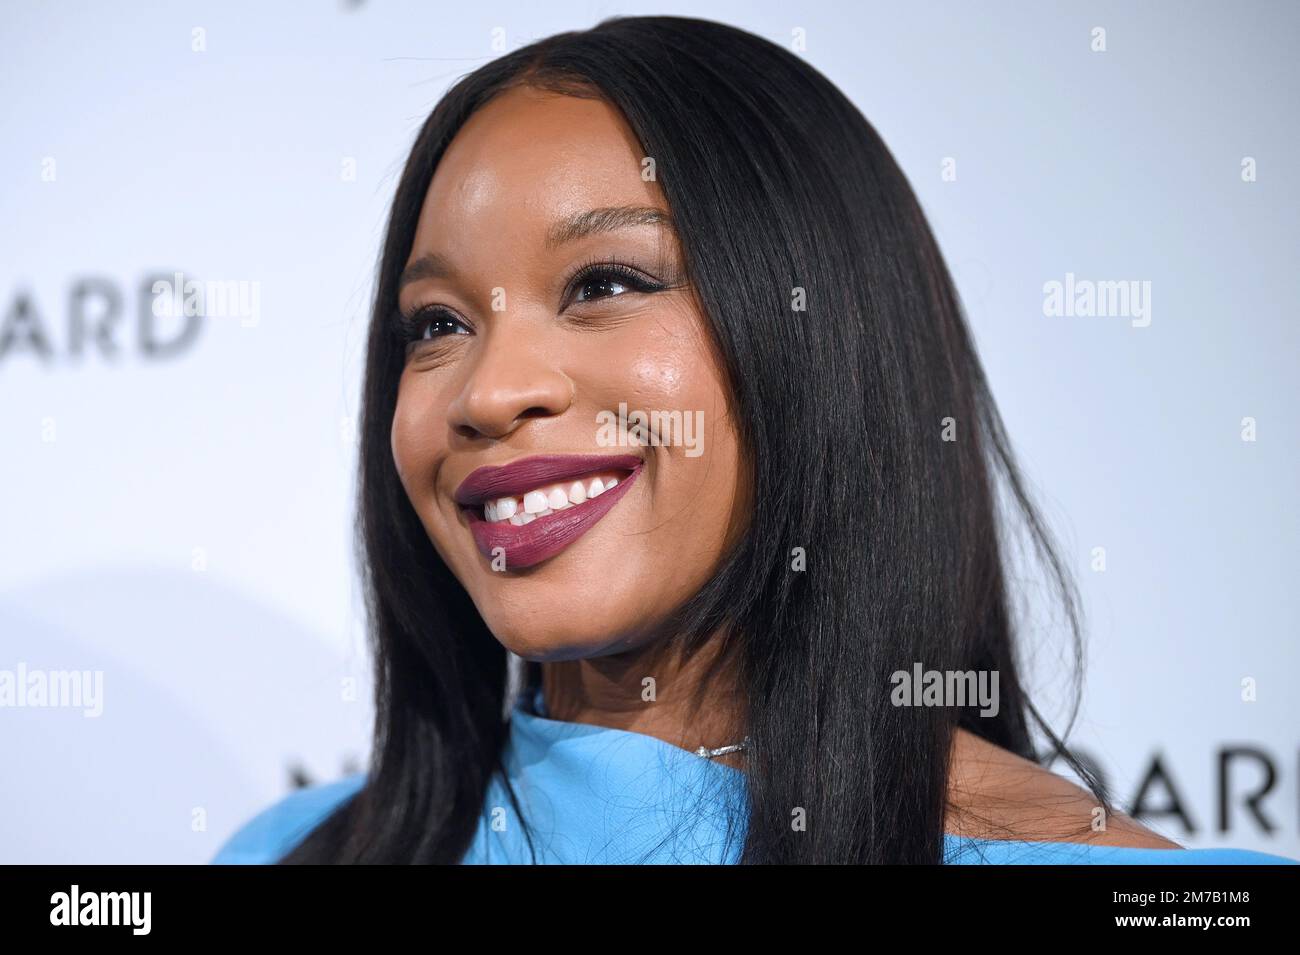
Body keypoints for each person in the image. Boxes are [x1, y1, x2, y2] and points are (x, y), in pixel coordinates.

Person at [213, 16, 1297, 865]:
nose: (491, 392)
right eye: (438, 324)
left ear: (823, 336)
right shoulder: (289, 854)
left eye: (605, 283)